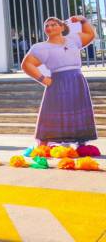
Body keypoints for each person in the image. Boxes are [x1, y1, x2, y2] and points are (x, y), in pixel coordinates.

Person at [21, 16, 98, 146]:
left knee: (78, 109)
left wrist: (83, 20)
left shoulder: (73, 39)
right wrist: (43, 79)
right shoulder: (40, 47)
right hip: (58, 81)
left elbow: (90, 35)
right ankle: (44, 144)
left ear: (62, 27)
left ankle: (81, 142)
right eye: (47, 26)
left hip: (77, 79)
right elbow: (26, 64)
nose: (49, 27)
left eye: (53, 25)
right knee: (53, 111)